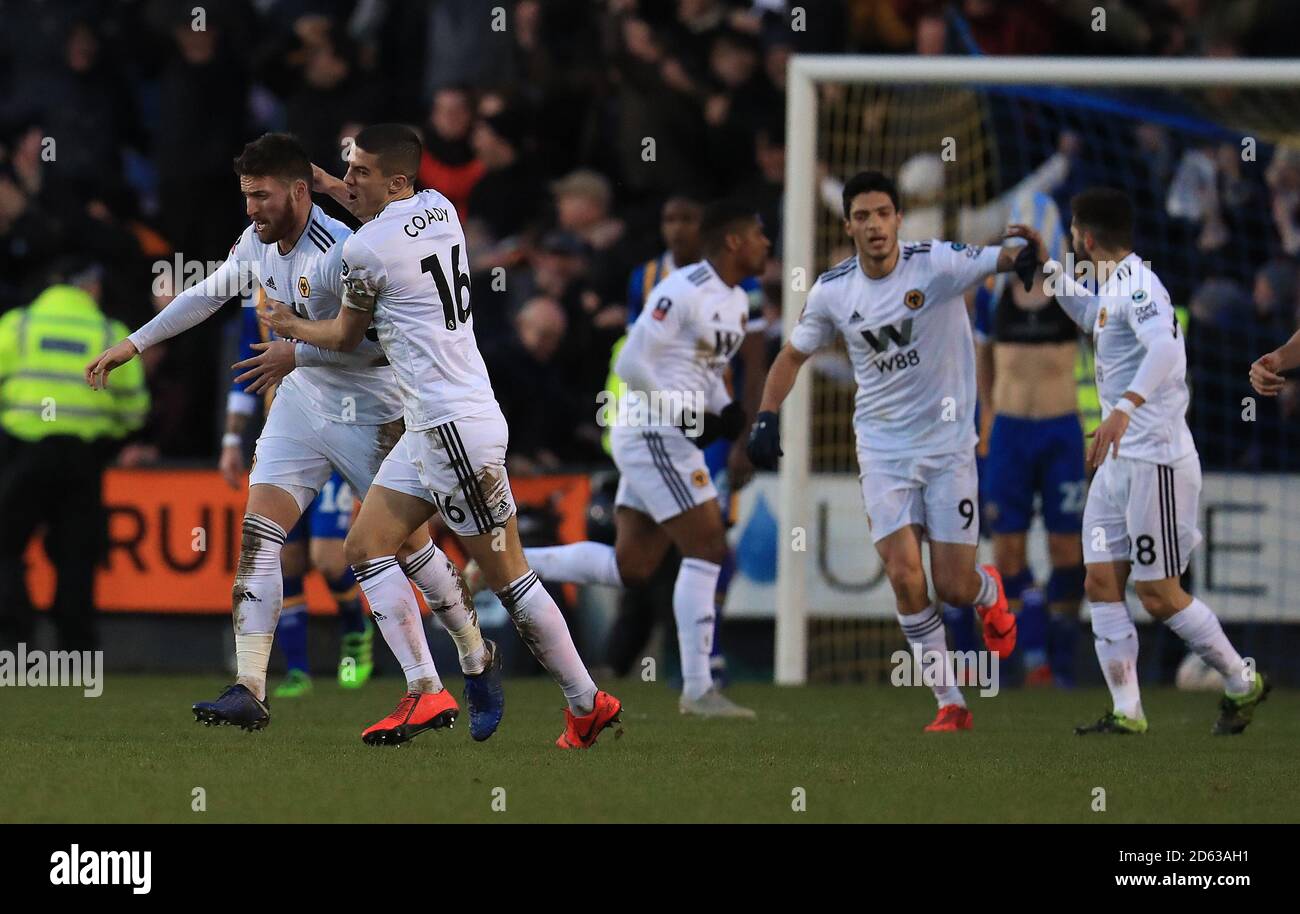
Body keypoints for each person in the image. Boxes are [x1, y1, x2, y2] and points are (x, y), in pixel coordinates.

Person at [84, 133, 501, 743]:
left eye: (261, 195)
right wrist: (133, 344)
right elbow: (209, 292)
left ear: (299, 191)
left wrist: (297, 349)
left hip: (369, 410)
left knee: (409, 550)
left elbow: (381, 348)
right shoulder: (257, 241)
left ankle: (473, 653)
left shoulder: (344, 250)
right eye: (246, 195)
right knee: (260, 533)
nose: (251, 208)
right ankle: (250, 687)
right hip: (301, 406)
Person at [265, 124, 621, 749]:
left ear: (396, 180)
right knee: (366, 546)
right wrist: (318, 176)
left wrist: (292, 328)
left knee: (509, 577)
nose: (349, 181)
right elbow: (369, 207)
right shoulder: (440, 208)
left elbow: (346, 338)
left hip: (452, 428)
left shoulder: (362, 252)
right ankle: (427, 689)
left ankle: (585, 701)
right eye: (347, 171)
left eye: (360, 173)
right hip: (437, 426)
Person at [746, 171, 1030, 732]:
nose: (874, 225)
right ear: (848, 224)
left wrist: (1029, 253)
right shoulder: (833, 291)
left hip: (949, 447)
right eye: (862, 216)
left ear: (898, 218)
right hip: (881, 451)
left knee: (952, 586)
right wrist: (765, 415)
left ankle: (987, 590)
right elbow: (789, 357)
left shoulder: (939, 263)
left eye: (883, 213)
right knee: (904, 576)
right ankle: (950, 702)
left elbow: (1005, 258)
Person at [474, 201, 769, 718]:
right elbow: (632, 362)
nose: (769, 245)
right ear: (733, 242)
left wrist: (733, 417)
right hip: (652, 431)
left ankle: (500, 566)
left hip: (668, 434)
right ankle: (699, 689)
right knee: (709, 546)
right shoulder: (681, 291)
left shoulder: (737, 303)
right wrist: (689, 415)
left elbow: (706, 375)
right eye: (759, 236)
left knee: (632, 566)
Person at [1037, 186, 1269, 735]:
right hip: (1118, 464)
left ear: (1086, 237)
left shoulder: (1142, 286)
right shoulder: (1115, 288)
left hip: (1155, 461)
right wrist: (1045, 270)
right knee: (1099, 583)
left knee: (1159, 595)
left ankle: (1241, 680)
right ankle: (1128, 710)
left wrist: (1122, 411)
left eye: (1071, 234)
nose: (1071, 241)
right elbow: (1092, 313)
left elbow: (1166, 350)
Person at [221, 297, 374, 698]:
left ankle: (357, 628)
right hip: (286, 444)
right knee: (285, 559)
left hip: (335, 435)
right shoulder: (251, 301)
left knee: (327, 558)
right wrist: (232, 438)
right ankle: (298, 672)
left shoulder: (323, 277)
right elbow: (245, 373)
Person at [0, 261, 149, 651]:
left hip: (25, 453)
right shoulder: (109, 332)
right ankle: (76, 646)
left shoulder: (19, 325)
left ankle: (14, 635)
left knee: (6, 544)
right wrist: (113, 436)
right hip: (84, 458)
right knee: (76, 554)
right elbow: (134, 408)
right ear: (91, 287)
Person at [973, 192, 1086, 686]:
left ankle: (1058, 663)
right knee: (1007, 554)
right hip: (1011, 434)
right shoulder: (994, 291)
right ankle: (1031, 654)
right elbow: (983, 354)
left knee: (1068, 552)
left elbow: (1108, 345)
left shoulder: (1074, 291)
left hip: (1063, 430)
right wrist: (987, 415)